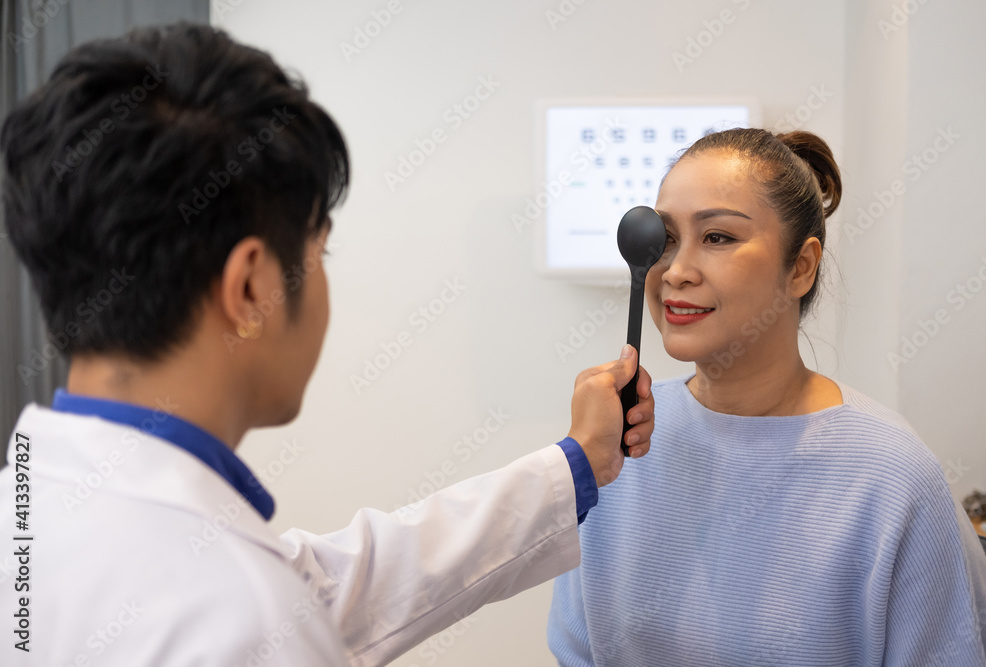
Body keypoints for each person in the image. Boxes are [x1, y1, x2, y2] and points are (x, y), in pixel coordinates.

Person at [0, 23, 656, 666]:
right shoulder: (233, 614)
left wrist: (575, 462)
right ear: (254, 286)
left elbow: (322, 589)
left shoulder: (37, 514)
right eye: (320, 251)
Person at [547, 128, 986, 666]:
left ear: (801, 267)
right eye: (665, 239)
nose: (676, 271)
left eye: (718, 237)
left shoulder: (890, 475)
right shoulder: (615, 443)